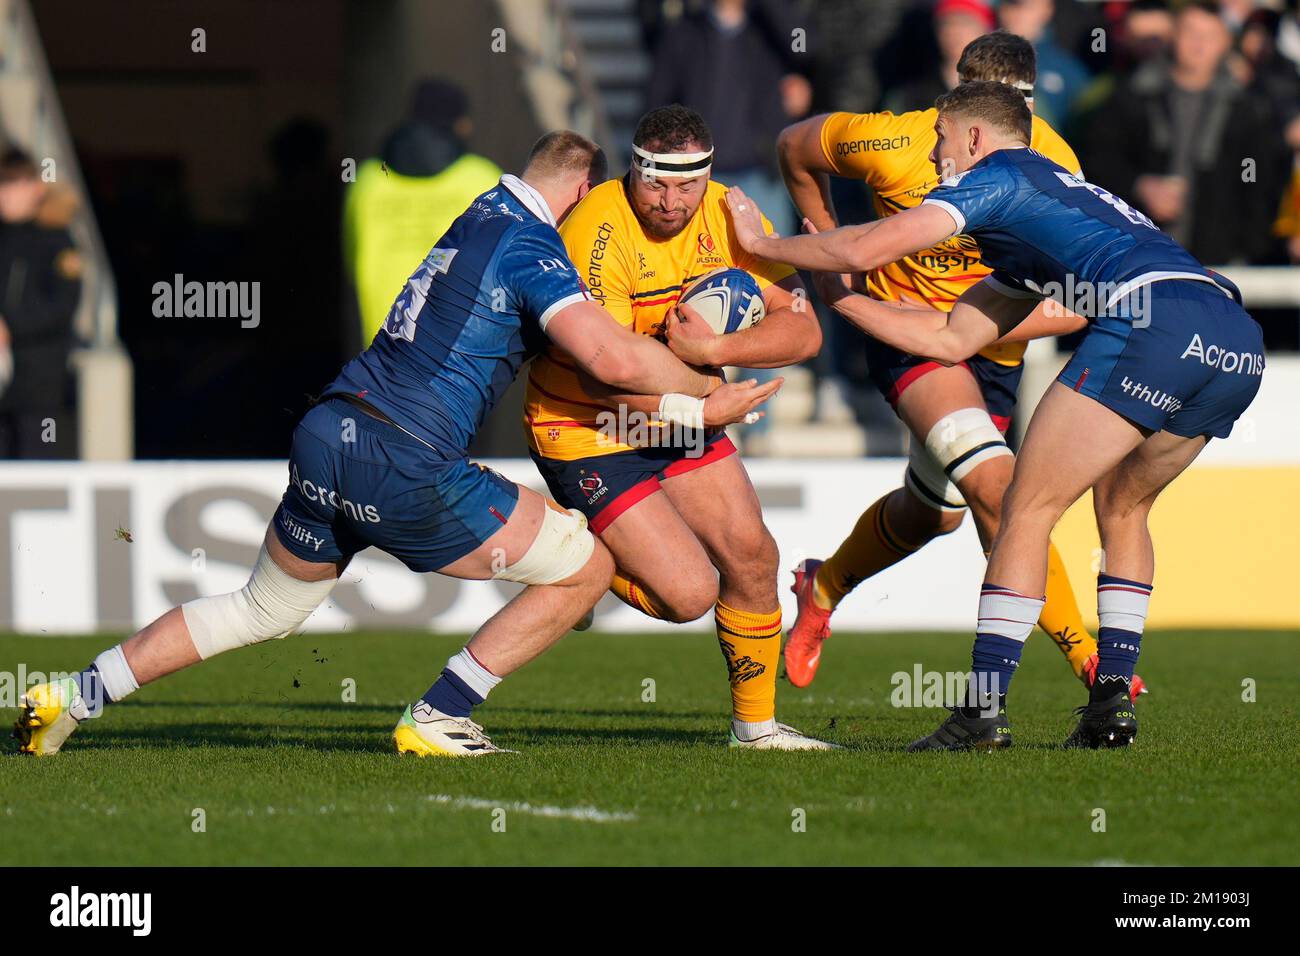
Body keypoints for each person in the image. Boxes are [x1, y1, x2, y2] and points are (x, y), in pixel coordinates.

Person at [17, 131, 769, 759]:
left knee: (258, 610)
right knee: (587, 566)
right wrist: (703, 400)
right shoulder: (533, 244)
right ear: (580, 193)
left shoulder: (476, 212)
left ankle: (75, 695)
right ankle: (441, 713)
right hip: (406, 453)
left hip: (329, 429)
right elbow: (607, 358)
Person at [727, 81, 1264, 749]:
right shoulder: (1045, 208)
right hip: (1232, 336)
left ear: (974, 138)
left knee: (1025, 509)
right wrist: (844, 304)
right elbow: (952, 339)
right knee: (1123, 510)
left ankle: (981, 713)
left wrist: (764, 243)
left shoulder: (997, 174)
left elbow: (866, 248)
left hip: (1154, 323)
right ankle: (1111, 706)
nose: (937, 153)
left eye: (943, 140)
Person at [776, 31, 1145, 698]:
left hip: (995, 351)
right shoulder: (896, 142)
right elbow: (796, 147)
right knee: (1002, 496)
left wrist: (981, 328)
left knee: (934, 514)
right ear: (962, 101)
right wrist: (825, 242)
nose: (1013, 129)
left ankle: (821, 585)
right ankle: (1090, 662)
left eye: (1025, 108)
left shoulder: (1056, 159)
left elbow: (1073, 303)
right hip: (910, 338)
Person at [525, 105, 833, 749]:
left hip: (680, 412)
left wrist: (713, 353)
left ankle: (756, 729)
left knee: (753, 557)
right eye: (656, 183)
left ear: (709, 174)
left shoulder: (728, 213)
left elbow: (804, 329)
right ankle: (572, 562)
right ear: (633, 171)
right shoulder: (596, 231)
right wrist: (698, 399)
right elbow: (603, 379)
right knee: (687, 596)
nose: (671, 200)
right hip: (588, 425)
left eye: (686, 185)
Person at [1081, 1, 1286, 265]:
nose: (1198, 45)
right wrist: (1140, 185)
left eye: (1210, 36)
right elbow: (1097, 161)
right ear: (1173, 36)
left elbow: (1261, 186)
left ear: (1225, 43)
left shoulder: (1249, 111)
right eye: (1191, 33)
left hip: (1222, 265)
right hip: (1136, 259)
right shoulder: (1131, 97)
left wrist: (1245, 250)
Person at [343, 77, 502, 349]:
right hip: (464, 349)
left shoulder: (368, 181)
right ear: (461, 124)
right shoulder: (484, 179)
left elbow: (351, 254)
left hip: (383, 345)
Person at [0, 148, 83, 459]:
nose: (6, 194)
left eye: (13, 185)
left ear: (36, 187)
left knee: (40, 457)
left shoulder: (55, 239)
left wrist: (11, 328)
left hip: (40, 379)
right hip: (4, 374)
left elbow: (63, 306)